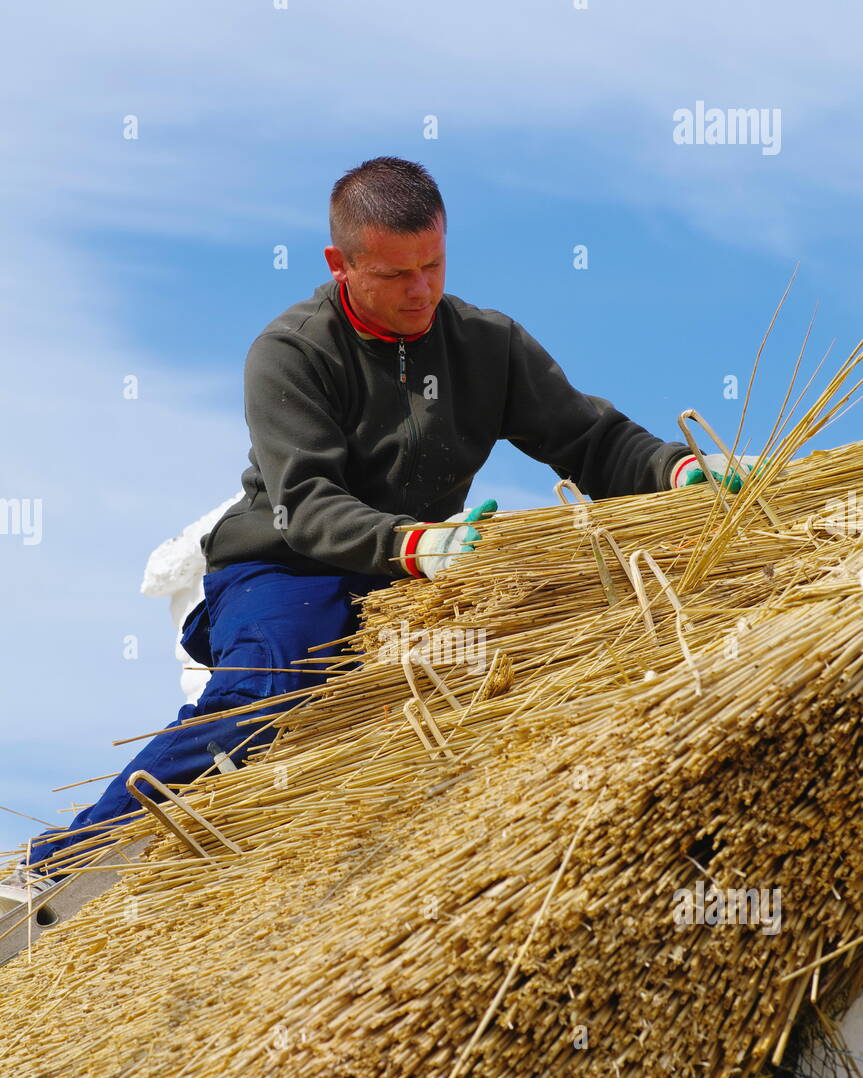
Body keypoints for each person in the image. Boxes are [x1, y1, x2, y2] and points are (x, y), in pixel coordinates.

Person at [3, 154, 752, 902]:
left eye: (433, 264)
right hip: (287, 565)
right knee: (261, 697)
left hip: (419, 568)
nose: (421, 290)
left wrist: (680, 472)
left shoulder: (486, 346)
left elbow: (591, 442)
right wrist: (414, 543)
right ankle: (58, 862)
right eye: (396, 275)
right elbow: (306, 504)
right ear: (340, 264)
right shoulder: (290, 352)